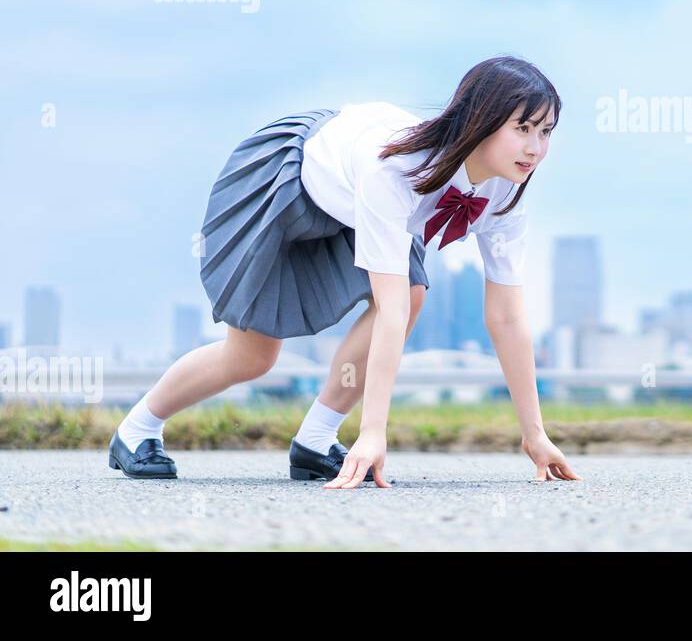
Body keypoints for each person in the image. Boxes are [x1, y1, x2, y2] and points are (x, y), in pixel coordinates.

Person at [108, 54, 581, 489]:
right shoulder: (396, 170)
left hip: (356, 209)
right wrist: (374, 434)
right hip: (290, 188)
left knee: (414, 291)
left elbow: (506, 317)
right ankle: (137, 430)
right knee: (252, 357)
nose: (536, 148)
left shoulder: (506, 193)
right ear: (481, 120)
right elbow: (390, 313)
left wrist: (534, 434)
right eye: (524, 128)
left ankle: (316, 442)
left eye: (547, 132)